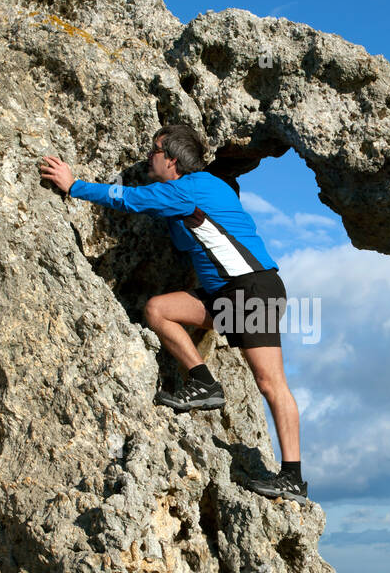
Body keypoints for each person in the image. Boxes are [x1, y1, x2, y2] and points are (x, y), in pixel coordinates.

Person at [39, 124, 308, 500]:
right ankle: (204, 383)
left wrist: (74, 185)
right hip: (229, 293)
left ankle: (292, 476)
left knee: (270, 382)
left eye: (155, 151)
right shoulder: (207, 187)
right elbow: (190, 234)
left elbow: (127, 199)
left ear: (172, 160)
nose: (149, 157)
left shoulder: (186, 189)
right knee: (158, 309)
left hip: (251, 290)